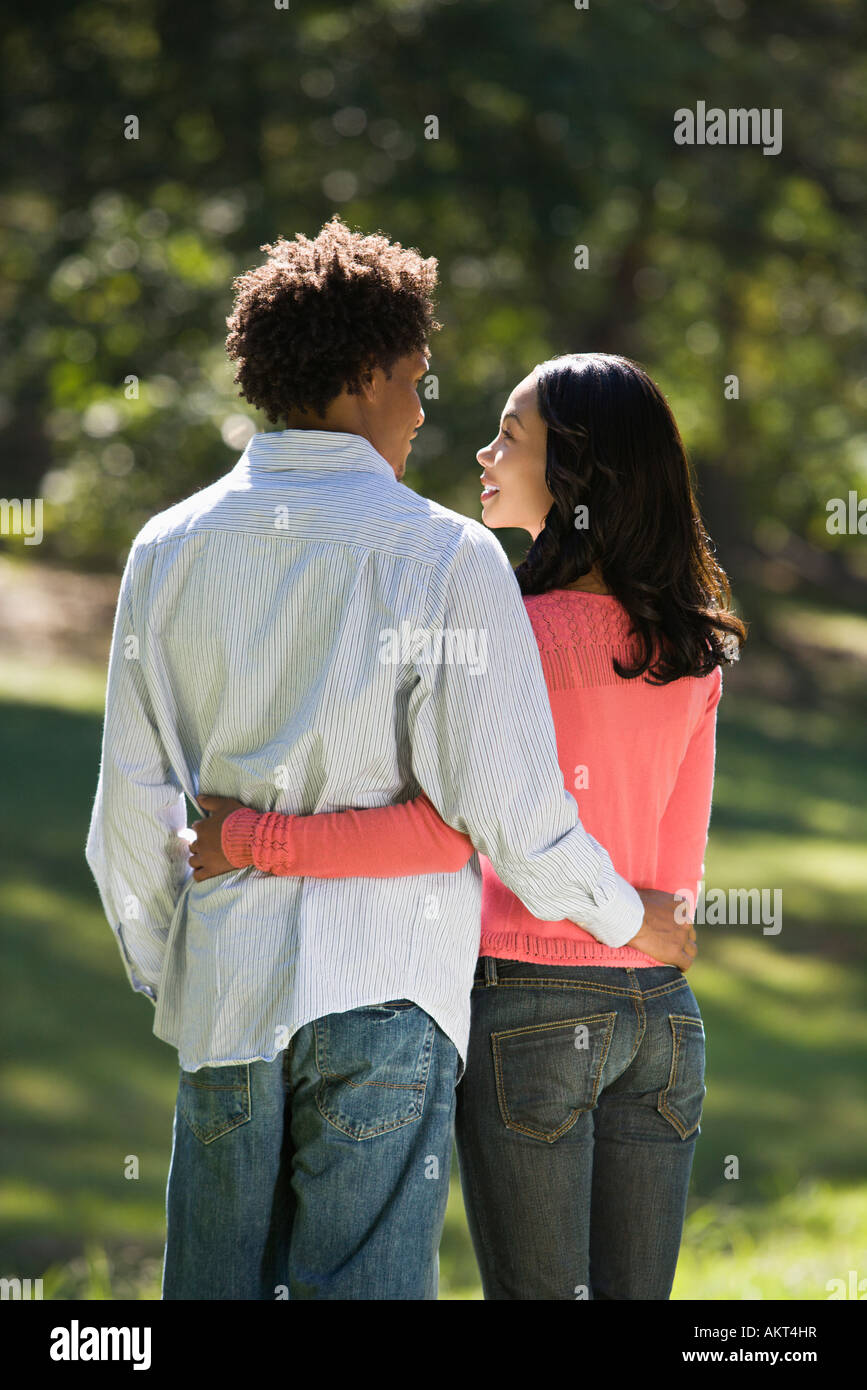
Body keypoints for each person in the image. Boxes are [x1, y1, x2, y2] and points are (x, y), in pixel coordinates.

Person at [86, 214, 693, 1301]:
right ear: (368, 373)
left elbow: (128, 811)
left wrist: (166, 966)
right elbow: (510, 809)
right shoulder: (444, 554)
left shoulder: (167, 546)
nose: (424, 411)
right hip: (391, 996)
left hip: (225, 994)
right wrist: (624, 918)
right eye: (417, 379)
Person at [190, 351, 746, 1300]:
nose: (484, 453)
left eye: (511, 437)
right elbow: (672, 884)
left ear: (574, 472)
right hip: (663, 1022)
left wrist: (250, 839)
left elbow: (445, 832)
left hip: (528, 1009)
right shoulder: (692, 645)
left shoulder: (508, 623)